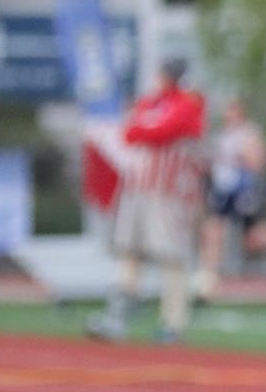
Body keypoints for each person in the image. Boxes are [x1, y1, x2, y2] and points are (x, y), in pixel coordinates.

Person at [87, 57, 207, 345]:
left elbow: (164, 129)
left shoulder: (187, 104)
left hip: (169, 194)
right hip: (139, 189)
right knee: (130, 253)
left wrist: (144, 127)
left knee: (172, 257)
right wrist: (143, 126)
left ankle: (173, 324)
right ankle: (117, 317)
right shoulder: (154, 102)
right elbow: (131, 130)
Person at [195, 98, 266, 299]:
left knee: (254, 239)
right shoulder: (221, 136)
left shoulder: (249, 134)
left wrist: (242, 156)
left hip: (242, 191)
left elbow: (258, 162)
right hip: (223, 191)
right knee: (213, 232)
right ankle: (208, 284)